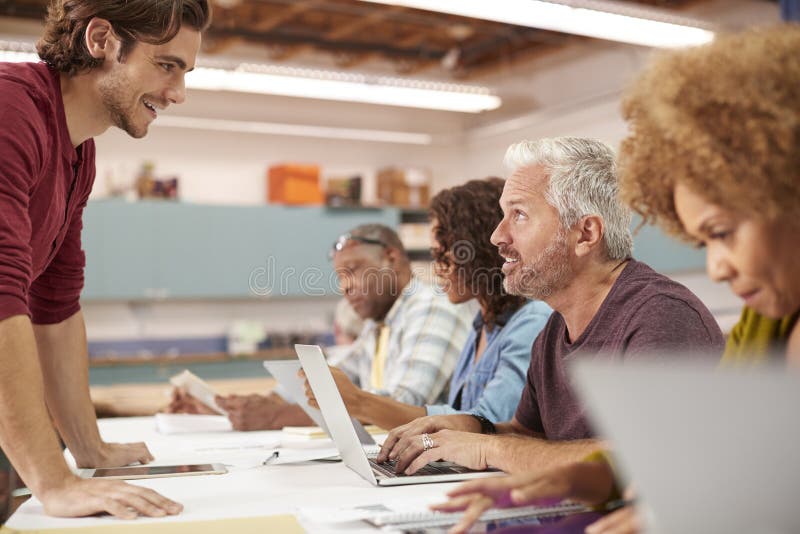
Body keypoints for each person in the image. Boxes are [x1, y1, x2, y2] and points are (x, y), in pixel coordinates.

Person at [432, 24, 800, 534]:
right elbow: (698, 464)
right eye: (703, 241)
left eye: (723, 231)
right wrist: (575, 483)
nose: (716, 268)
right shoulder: (764, 327)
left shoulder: (665, 315)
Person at [377, 137, 724, 477]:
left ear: (586, 234)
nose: (498, 236)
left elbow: (650, 457)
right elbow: (531, 437)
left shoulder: (662, 316)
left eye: (519, 215)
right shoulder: (555, 329)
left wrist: (488, 448)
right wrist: (473, 427)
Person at [0, 0, 210, 519]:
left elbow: (56, 305)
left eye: (185, 72)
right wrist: (55, 481)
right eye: (167, 65)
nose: (178, 93)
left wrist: (88, 451)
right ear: (101, 40)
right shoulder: (9, 109)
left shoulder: (77, 151)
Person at [170, 224, 473, 430]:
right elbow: (327, 377)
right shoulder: (381, 323)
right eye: (340, 276)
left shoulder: (432, 306)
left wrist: (276, 416)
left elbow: (404, 404)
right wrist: (235, 407)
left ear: (391, 258)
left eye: (352, 271)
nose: (345, 287)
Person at [304, 178, 552, 429]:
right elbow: (459, 414)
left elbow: (488, 425)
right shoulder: (481, 325)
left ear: (478, 247)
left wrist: (359, 402)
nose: (437, 269)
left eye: (442, 255)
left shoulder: (531, 321)